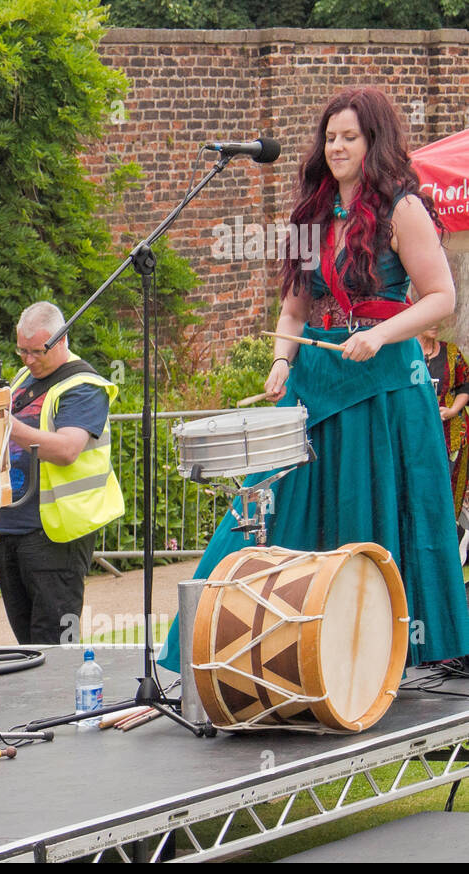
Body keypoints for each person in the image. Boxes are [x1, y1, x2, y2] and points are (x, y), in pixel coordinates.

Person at [161, 86, 469, 672]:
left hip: (385, 387)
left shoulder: (403, 208)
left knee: (368, 515)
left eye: (350, 136)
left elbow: (441, 297)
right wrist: (280, 361)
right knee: (269, 508)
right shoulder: (311, 214)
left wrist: (379, 334)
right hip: (314, 382)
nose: (337, 147)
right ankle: (228, 651)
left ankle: (368, 658)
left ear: (374, 141)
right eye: (330, 137)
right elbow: (294, 312)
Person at [0, 303, 122, 644]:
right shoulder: (24, 379)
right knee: (28, 644)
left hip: (56, 534)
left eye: (35, 351)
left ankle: (63, 700)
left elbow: (66, 449)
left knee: (55, 642)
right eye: (21, 350)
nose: (27, 359)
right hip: (12, 526)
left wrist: (8, 426)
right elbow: (1, 449)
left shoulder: (85, 386)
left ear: (61, 340)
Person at [417, 327, 469, 513]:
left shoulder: (452, 353)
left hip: (448, 436)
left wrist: (452, 410)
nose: (434, 325)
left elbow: (465, 386)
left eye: (437, 320)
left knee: (443, 489)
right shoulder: (405, 353)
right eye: (429, 320)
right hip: (414, 432)